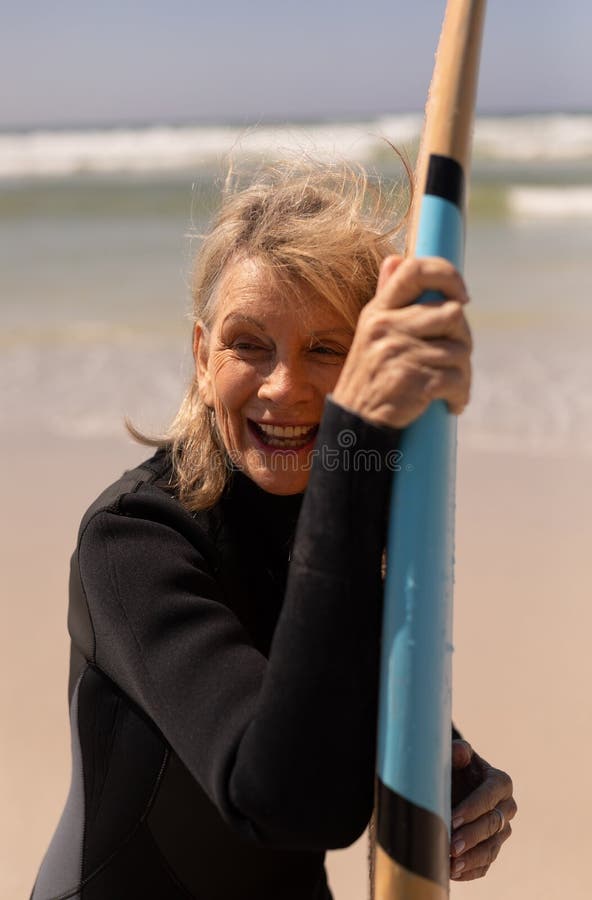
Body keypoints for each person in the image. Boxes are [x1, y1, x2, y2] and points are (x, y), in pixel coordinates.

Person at [30, 161, 516, 900]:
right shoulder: (132, 541)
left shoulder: (348, 514)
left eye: (325, 349)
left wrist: (449, 775)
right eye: (248, 344)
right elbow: (289, 799)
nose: (284, 386)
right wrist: (357, 446)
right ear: (202, 357)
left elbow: (337, 702)